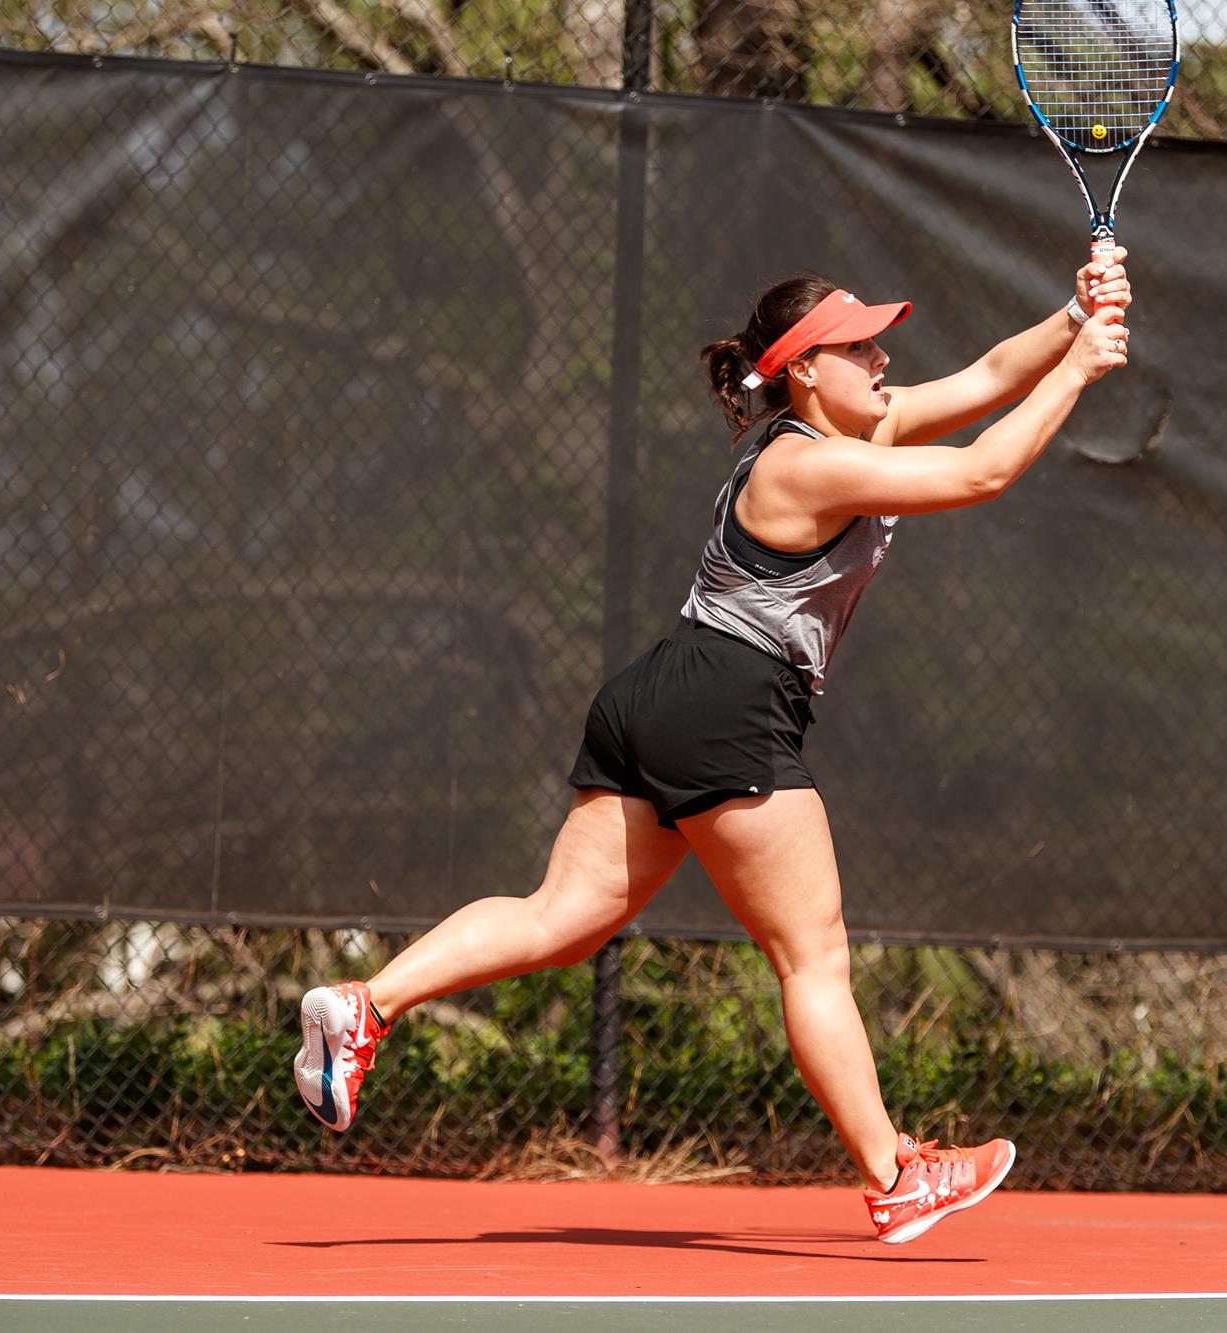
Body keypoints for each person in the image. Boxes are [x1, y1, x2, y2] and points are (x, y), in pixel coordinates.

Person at [295, 254, 1133, 1244]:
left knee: (560, 917)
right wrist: (1081, 368)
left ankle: (364, 1005)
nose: (881, 357)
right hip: (731, 700)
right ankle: (895, 1175)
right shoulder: (806, 465)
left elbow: (989, 376)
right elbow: (981, 469)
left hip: (661, 693)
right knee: (811, 955)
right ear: (804, 369)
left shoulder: (847, 432)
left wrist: (1071, 316)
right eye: (858, 345)